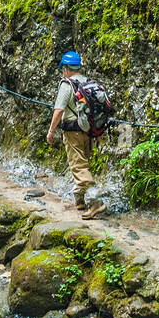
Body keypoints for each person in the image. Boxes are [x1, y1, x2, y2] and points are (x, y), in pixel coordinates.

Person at [46, 51, 105, 220]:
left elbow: (59, 111)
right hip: (88, 131)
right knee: (82, 163)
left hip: (72, 131)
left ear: (65, 69)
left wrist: (51, 131)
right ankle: (80, 200)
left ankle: (96, 203)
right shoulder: (88, 82)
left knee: (78, 167)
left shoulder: (67, 85)